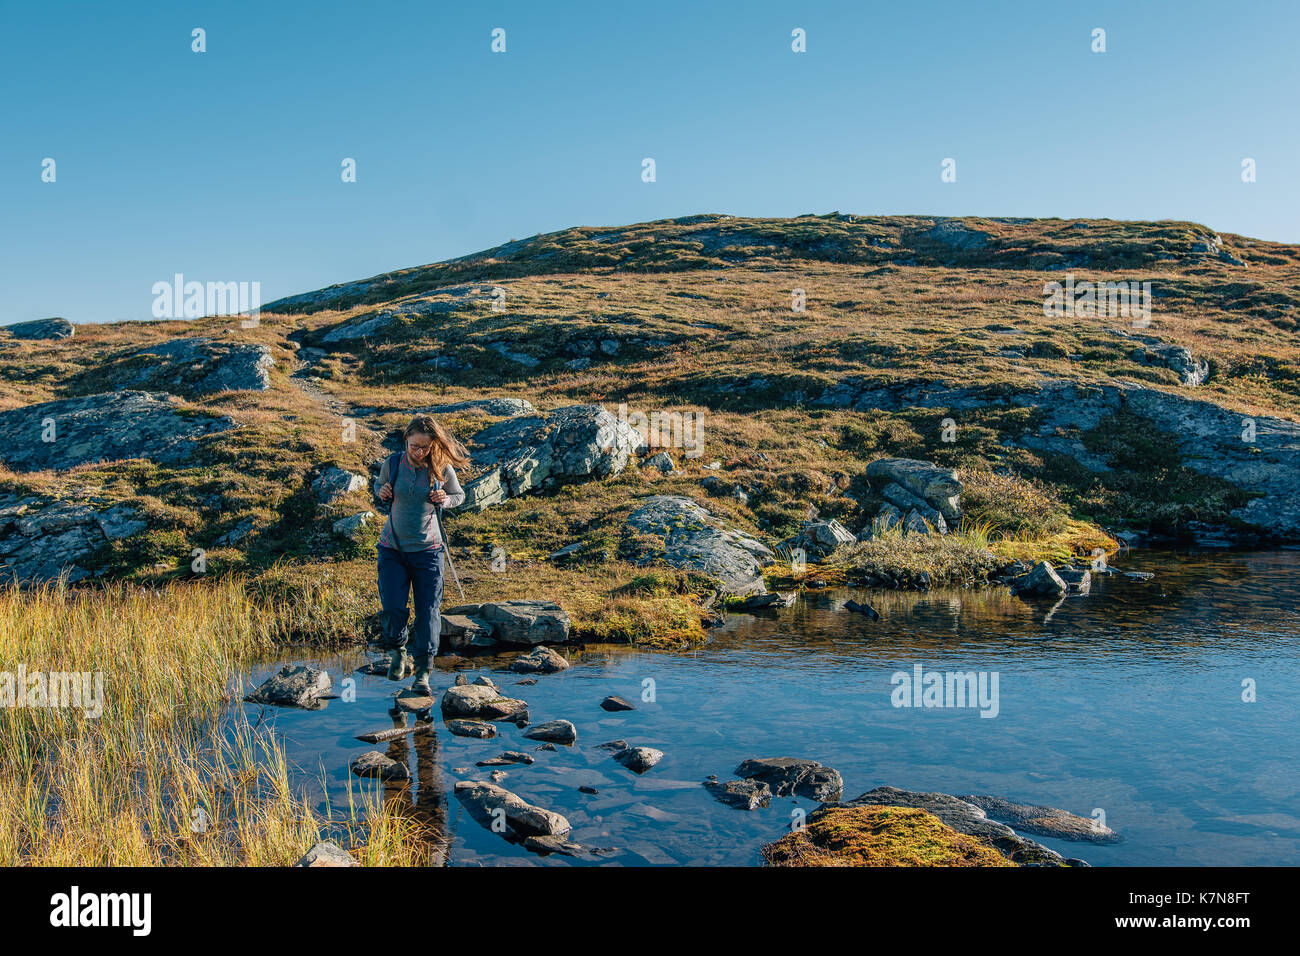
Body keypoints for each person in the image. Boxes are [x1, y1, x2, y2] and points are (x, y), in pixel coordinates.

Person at [373, 414, 469, 694]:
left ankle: (423, 672)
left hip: (428, 552)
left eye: (424, 447)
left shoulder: (441, 467)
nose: (418, 452)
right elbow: (379, 487)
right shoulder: (391, 464)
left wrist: (446, 499)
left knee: (428, 612)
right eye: (414, 446)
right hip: (392, 549)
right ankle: (398, 651)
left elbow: (459, 495)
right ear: (406, 440)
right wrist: (383, 491)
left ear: (433, 446)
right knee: (392, 606)